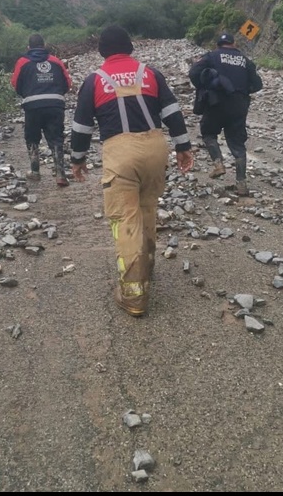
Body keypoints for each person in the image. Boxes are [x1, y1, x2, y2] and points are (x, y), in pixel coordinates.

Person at [69, 25, 194, 317]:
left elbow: (81, 126)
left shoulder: (95, 81)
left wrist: (77, 160)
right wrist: (183, 147)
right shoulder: (149, 74)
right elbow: (172, 112)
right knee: (148, 209)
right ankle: (146, 270)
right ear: (130, 48)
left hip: (120, 151)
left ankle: (134, 295)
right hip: (154, 147)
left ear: (101, 52)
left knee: (125, 219)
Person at [188, 32, 263, 196]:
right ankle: (241, 183)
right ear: (234, 43)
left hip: (215, 103)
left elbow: (194, 73)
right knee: (237, 142)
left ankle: (218, 163)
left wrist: (204, 87)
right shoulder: (245, 60)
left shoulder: (211, 56)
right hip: (239, 105)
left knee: (208, 133)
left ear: (218, 45)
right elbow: (257, 84)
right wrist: (243, 91)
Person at [11, 33, 73, 186]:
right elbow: (67, 83)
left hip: (32, 105)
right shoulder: (56, 61)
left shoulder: (22, 62)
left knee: (32, 137)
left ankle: (35, 171)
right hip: (55, 104)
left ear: (28, 47)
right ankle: (61, 175)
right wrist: (56, 95)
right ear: (44, 46)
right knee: (56, 138)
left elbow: (15, 83)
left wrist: (27, 94)